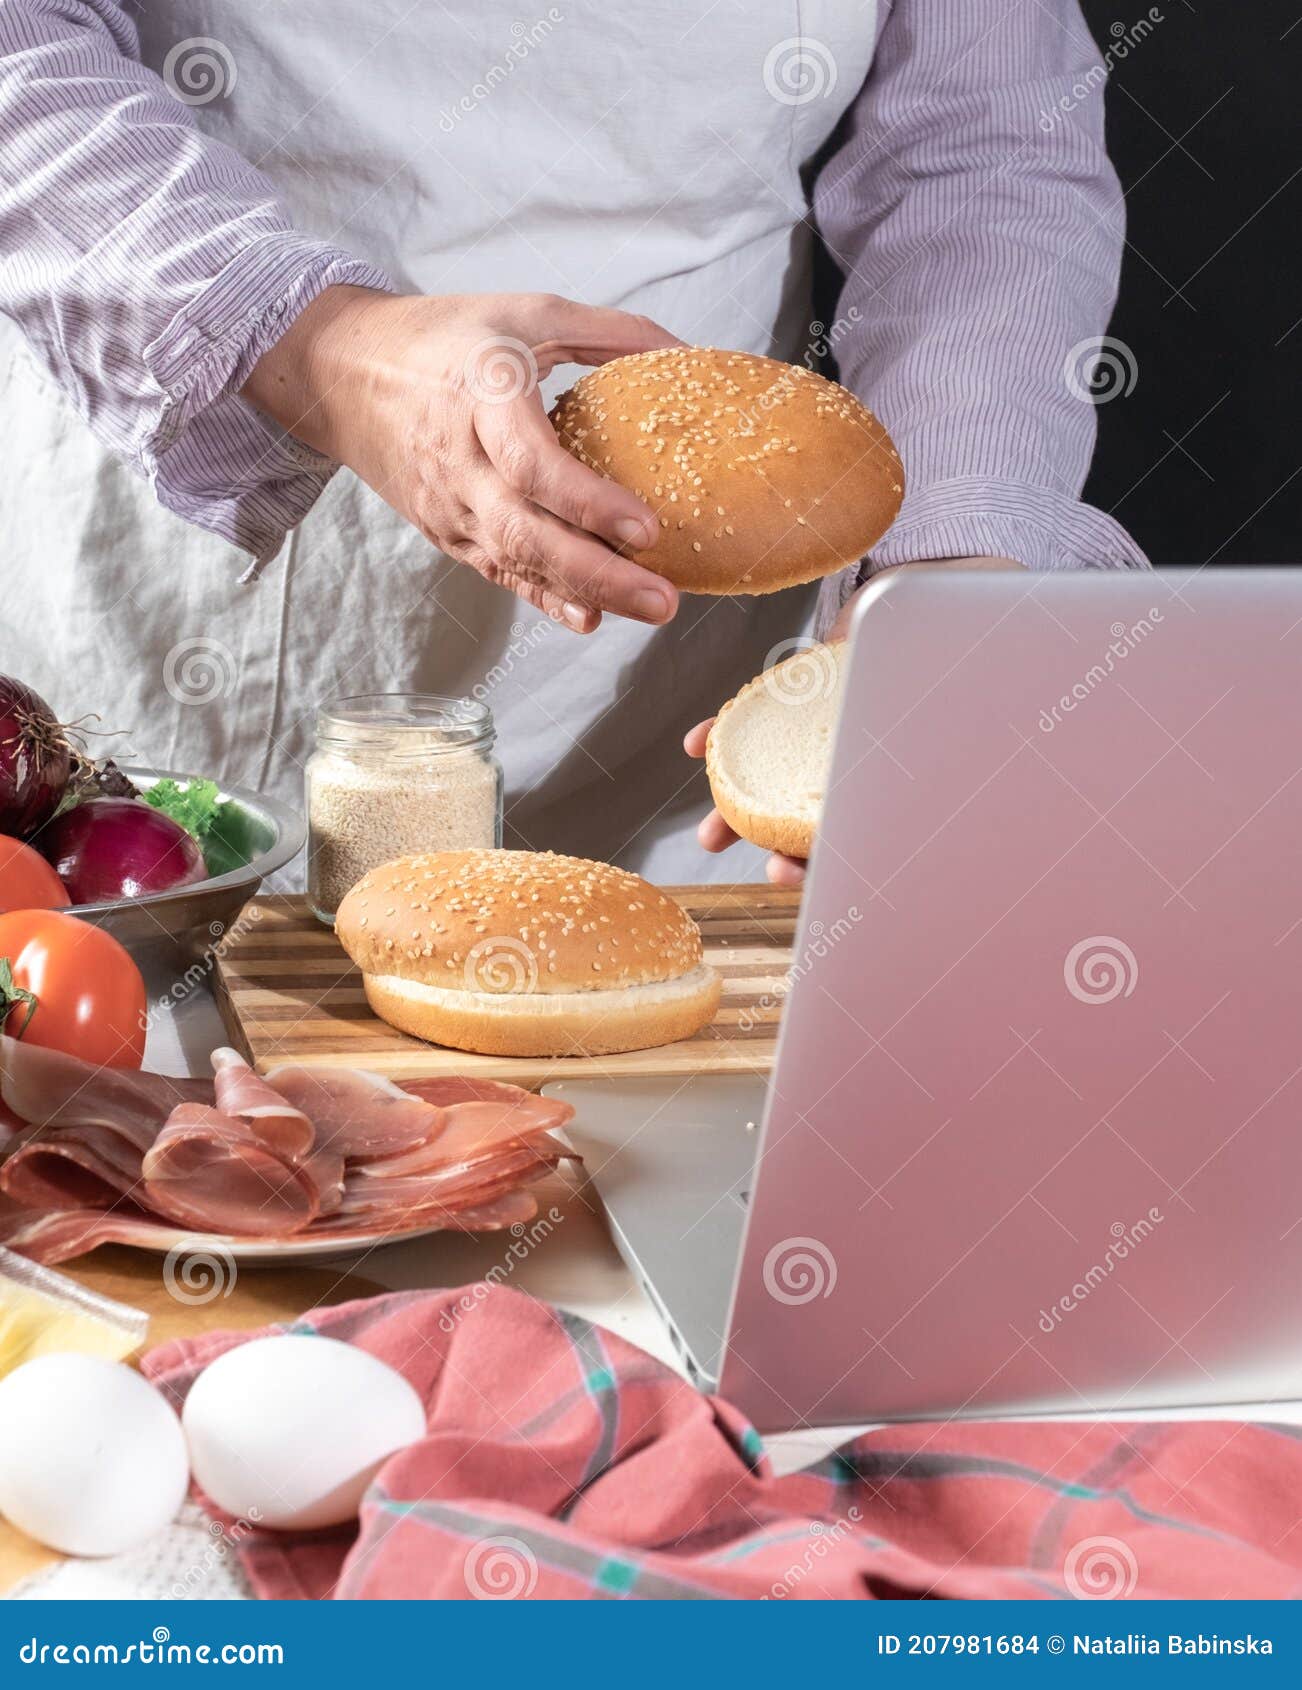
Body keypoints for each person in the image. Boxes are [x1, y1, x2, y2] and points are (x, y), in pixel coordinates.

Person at [0, 3, 1146, 885]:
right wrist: (330, 353)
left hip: (685, 719)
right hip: (180, 652)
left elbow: (985, 154)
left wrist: (940, 586)